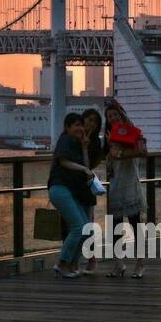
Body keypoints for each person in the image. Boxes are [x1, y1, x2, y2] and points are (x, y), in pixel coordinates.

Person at [47, 112, 96, 279]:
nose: (80, 128)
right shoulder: (65, 139)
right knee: (78, 227)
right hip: (59, 189)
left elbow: (87, 168)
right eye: (76, 125)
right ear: (67, 127)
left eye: (81, 125)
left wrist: (84, 147)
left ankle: (71, 264)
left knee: (86, 229)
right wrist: (83, 169)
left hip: (70, 191)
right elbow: (63, 161)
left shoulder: (76, 144)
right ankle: (61, 263)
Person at [103, 101, 148, 277]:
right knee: (115, 227)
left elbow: (143, 152)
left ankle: (140, 264)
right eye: (109, 117)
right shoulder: (108, 136)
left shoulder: (133, 133)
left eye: (115, 115)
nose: (113, 118)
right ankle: (118, 263)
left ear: (121, 115)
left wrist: (119, 154)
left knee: (136, 225)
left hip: (130, 183)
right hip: (115, 185)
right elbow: (109, 158)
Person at [79, 108, 105, 275]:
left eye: (94, 121)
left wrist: (85, 147)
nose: (91, 123)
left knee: (87, 223)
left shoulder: (95, 143)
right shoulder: (73, 137)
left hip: (86, 186)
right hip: (71, 184)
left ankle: (92, 260)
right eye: (88, 119)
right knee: (74, 223)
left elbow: (89, 166)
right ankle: (71, 261)